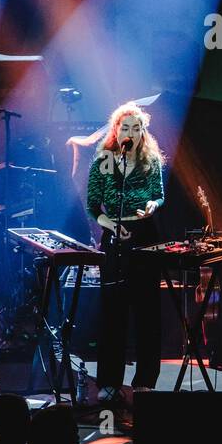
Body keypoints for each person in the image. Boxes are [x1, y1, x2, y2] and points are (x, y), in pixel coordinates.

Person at [86, 101, 165, 404]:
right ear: (116, 129)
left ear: (143, 132)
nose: (130, 132)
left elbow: (158, 195)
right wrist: (111, 225)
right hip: (114, 236)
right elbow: (93, 207)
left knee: (147, 312)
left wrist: (151, 207)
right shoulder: (103, 161)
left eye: (136, 128)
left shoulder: (151, 160)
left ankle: (145, 381)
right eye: (125, 127)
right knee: (113, 313)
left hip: (144, 235)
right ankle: (109, 381)